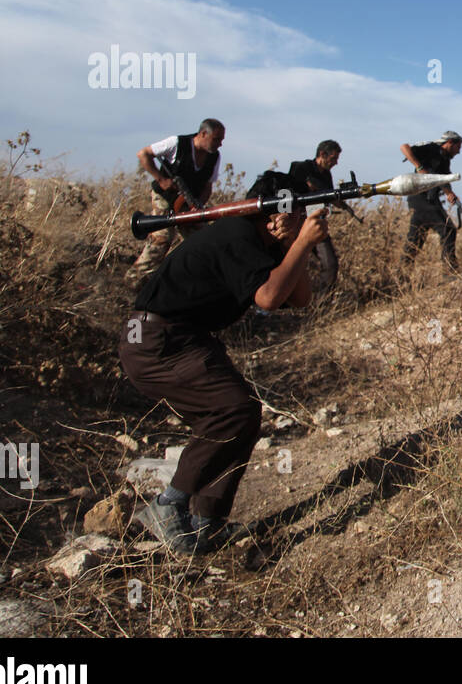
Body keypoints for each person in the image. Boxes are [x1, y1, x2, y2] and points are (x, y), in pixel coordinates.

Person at [118, 170, 328, 554]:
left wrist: (292, 246)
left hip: (182, 338)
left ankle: (206, 523)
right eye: (298, 211)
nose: (303, 218)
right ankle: (169, 506)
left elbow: (298, 299)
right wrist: (300, 244)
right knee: (233, 410)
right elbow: (267, 298)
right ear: (277, 214)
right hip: (155, 340)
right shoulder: (238, 236)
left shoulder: (261, 242)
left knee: (243, 418)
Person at [126, 119, 225, 284]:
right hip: (165, 199)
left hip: (188, 204)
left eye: (221, 140)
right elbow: (143, 154)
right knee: (162, 239)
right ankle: (133, 280)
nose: (220, 144)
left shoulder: (214, 157)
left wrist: (198, 207)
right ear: (203, 134)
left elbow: (207, 187)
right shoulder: (176, 143)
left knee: (204, 242)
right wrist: (161, 179)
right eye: (216, 139)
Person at [399, 130, 462, 273]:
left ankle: (402, 273)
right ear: (450, 142)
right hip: (420, 197)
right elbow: (404, 147)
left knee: (416, 239)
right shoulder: (431, 148)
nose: (459, 152)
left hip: (430, 199)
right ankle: (450, 271)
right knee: (448, 229)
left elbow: (443, 180)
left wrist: (449, 193)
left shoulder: (445, 160)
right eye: (458, 147)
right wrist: (419, 167)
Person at [288, 140, 343, 293]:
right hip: (295, 224)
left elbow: (329, 196)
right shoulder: (301, 167)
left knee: (330, 264)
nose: (335, 163)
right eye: (333, 159)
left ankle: (322, 300)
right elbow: (288, 192)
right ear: (322, 154)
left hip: (315, 223)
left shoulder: (327, 175)